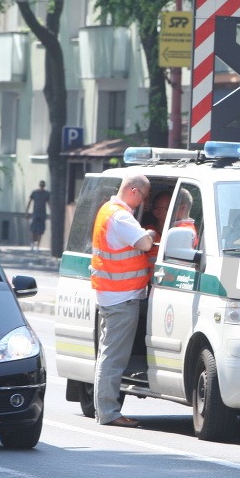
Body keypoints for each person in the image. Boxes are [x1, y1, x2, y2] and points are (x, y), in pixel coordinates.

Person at [90, 174, 156, 428]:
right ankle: (108, 411)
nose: (143, 203)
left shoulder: (107, 211)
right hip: (121, 297)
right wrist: (148, 232)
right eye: (144, 197)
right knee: (112, 358)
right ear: (135, 191)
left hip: (113, 295)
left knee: (109, 355)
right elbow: (144, 242)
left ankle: (106, 409)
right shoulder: (120, 216)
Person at [25, 180, 50, 252]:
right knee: (33, 230)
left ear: (44, 186)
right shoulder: (35, 193)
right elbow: (29, 201)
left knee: (40, 231)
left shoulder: (46, 194)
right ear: (39, 185)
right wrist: (27, 212)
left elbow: (49, 203)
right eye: (41, 185)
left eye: (43, 185)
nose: (42, 186)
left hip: (42, 214)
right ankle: (32, 244)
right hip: (35, 213)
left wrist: (51, 212)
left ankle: (37, 246)